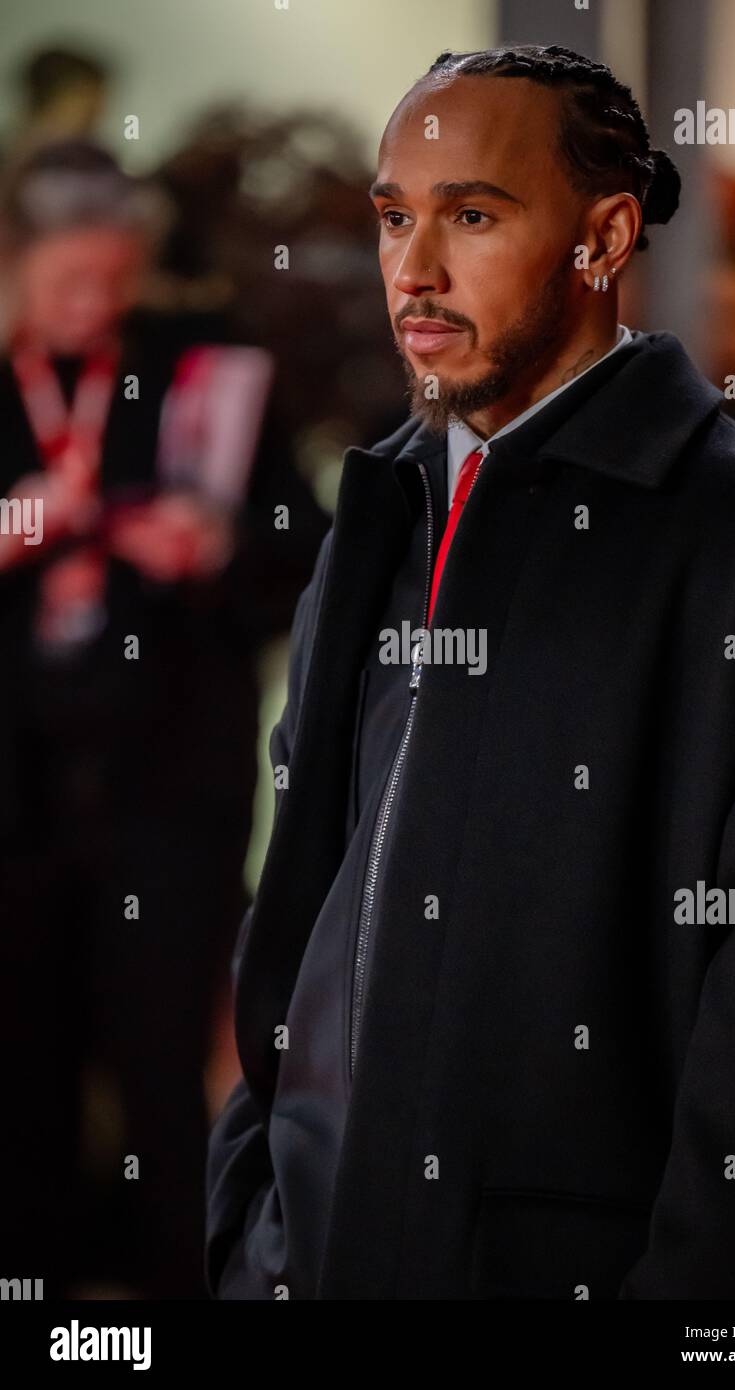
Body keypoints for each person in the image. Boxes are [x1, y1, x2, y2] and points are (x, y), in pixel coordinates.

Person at [206, 45, 735, 1301]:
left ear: (604, 236)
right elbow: (310, 881)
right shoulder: (384, 501)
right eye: (394, 216)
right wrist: (248, 1194)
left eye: (470, 214)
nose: (413, 267)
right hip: (307, 1246)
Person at [0, 140, 329, 1297]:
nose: (93, 306)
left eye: (112, 280)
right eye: (65, 285)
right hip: (20, 791)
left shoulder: (197, 373)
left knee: (165, 1078)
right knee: (22, 1077)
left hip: (167, 786)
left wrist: (217, 544)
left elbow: (302, 552)